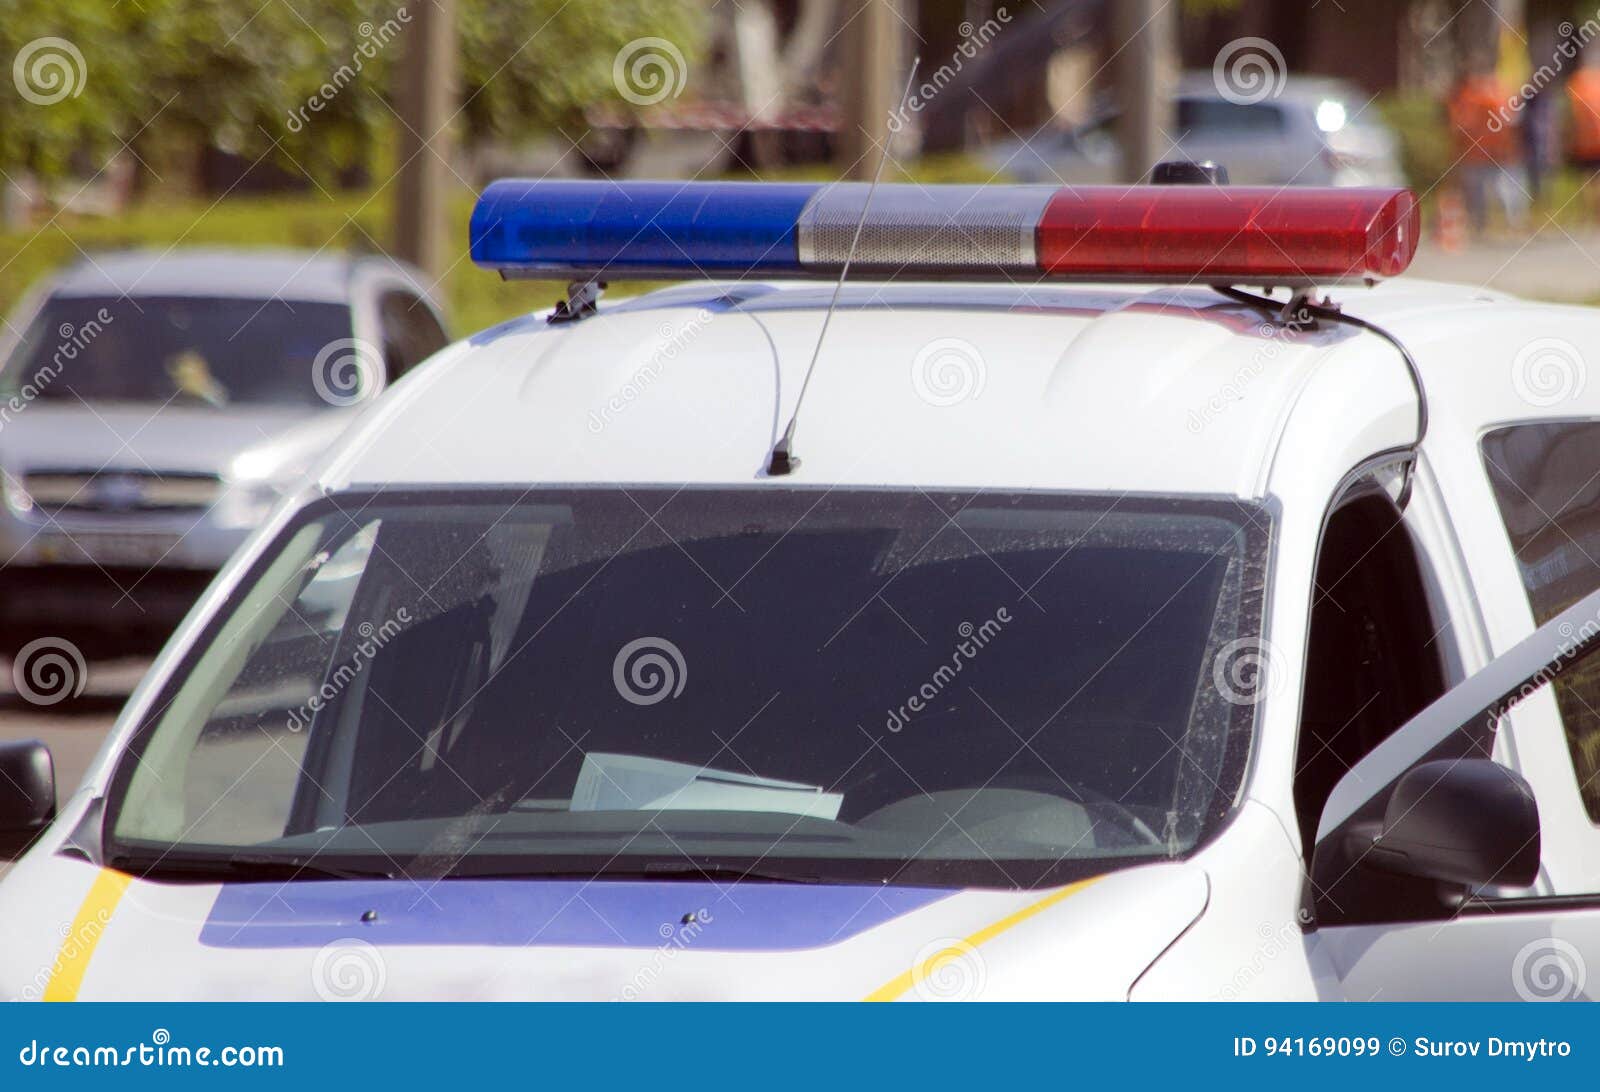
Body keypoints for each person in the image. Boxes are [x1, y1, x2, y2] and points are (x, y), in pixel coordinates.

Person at [1448, 59, 1528, 235]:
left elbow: (1459, 128)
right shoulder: (1493, 95)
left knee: (1492, 193)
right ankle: (1505, 224)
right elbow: (1513, 125)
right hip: (1490, 154)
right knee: (1500, 193)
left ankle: (1487, 225)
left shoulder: (1470, 97)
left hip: (1489, 154)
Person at [1567, 55, 1600, 219]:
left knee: (1587, 180)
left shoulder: (1577, 85)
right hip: (1594, 141)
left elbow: (1572, 117)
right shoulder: (1595, 83)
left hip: (1584, 143)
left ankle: (1587, 214)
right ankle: (1594, 213)